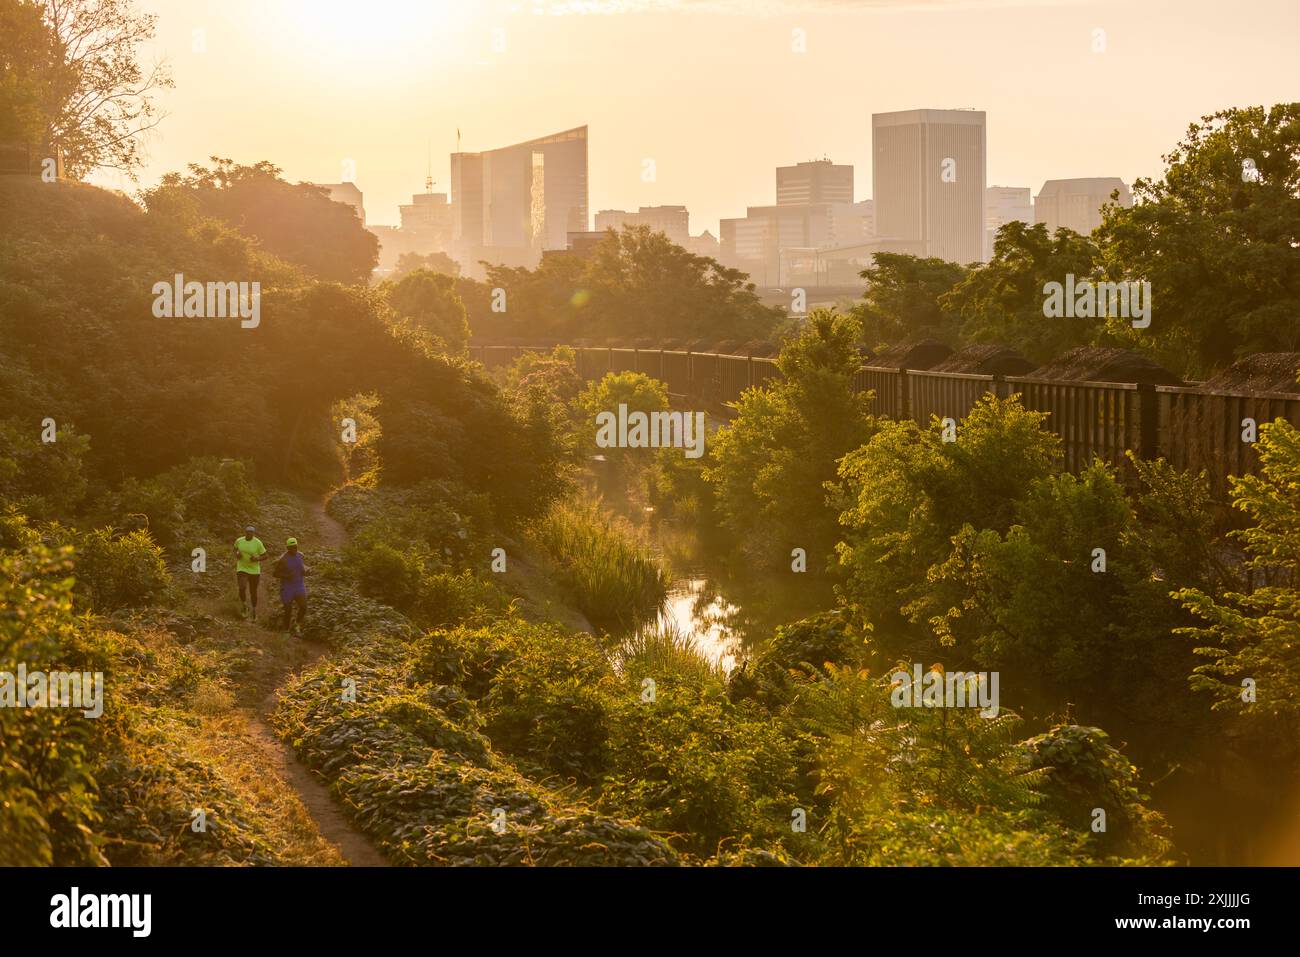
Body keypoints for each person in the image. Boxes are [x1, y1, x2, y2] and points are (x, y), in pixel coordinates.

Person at [273, 537, 308, 637]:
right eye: (291, 547)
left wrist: (306, 572)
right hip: (287, 588)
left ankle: (296, 625)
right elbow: (275, 573)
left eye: (295, 547)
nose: (294, 549)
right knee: (288, 610)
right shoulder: (283, 559)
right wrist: (287, 576)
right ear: (287, 548)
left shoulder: (300, 555)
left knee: (303, 607)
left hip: (299, 586)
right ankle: (286, 629)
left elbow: (302, 568)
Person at [234, 524, 269, 621]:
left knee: (253, 591)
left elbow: (266, 556)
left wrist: (257, 558)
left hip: (254, 570)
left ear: (254, 533)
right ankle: (245, 606)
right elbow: (235, 549)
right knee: (242, 587)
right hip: (242, 568)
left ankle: (254, 611)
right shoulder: (239, 540)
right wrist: (237, 554)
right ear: (245, 532)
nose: (249, 534)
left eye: (251, 532)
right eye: (248, 532)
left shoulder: (258, 543)